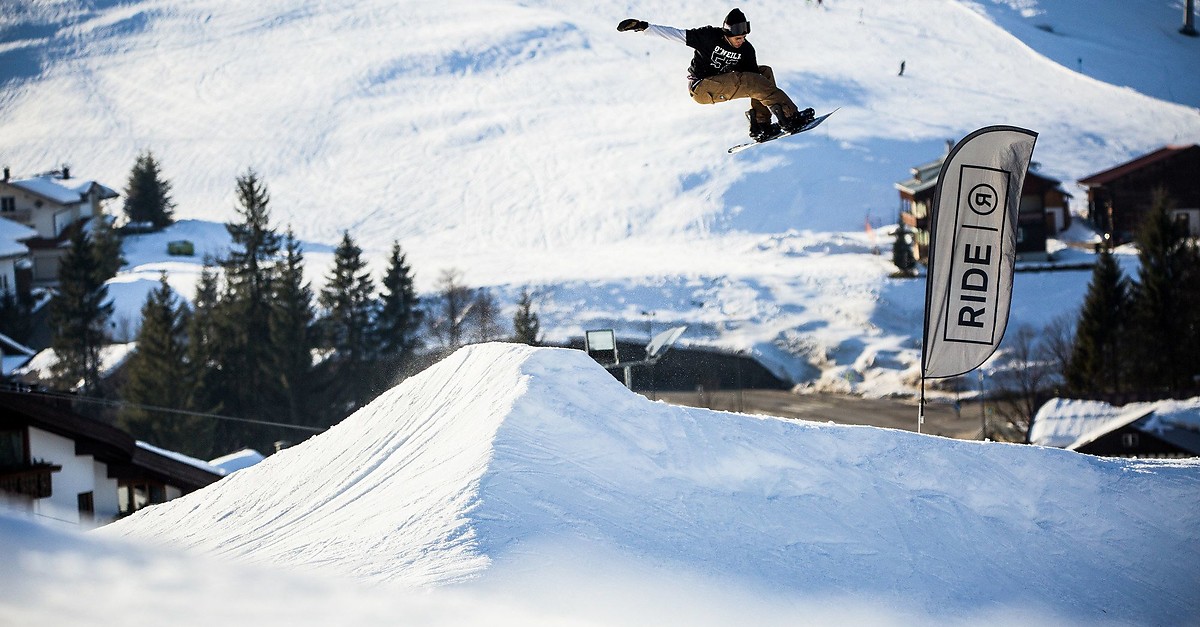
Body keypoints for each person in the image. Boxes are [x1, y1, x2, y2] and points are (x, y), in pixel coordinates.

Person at [618, 8, 814, 142]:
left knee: (763, 73)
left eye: (744, 37)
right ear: (726, 33)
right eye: (737, 38)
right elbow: (675, 34)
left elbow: (759, 85)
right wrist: (644, 27)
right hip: (701, 87)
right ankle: (790, 117)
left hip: (723, 84)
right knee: (750, 80)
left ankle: (761, 124)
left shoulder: (746, 50)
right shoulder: (708, 37)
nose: (741, 41)